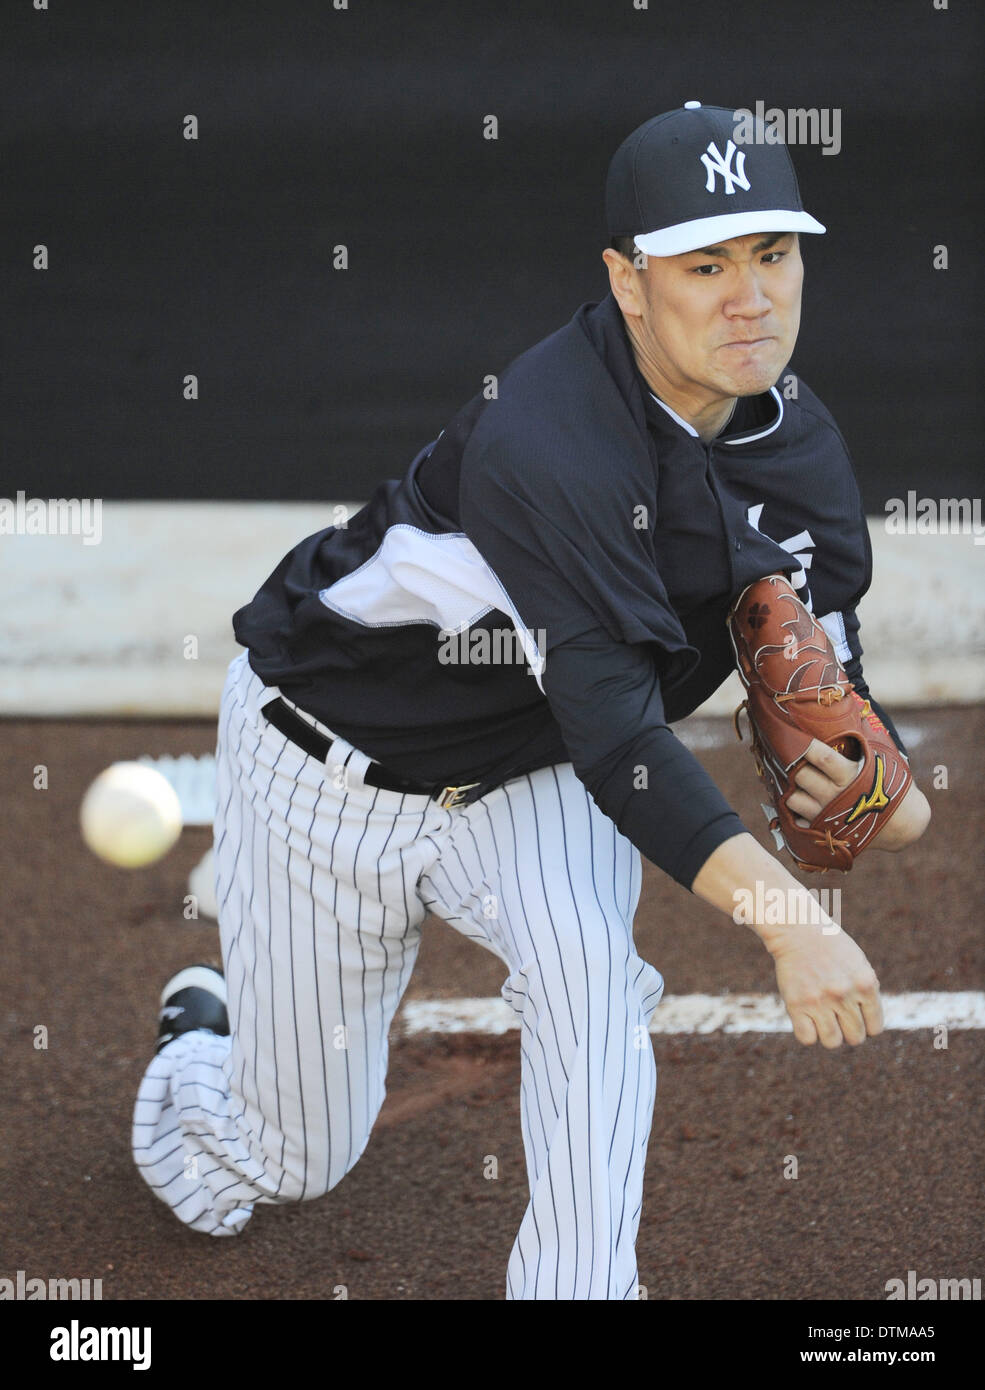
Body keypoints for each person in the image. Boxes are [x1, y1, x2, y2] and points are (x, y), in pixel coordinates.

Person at [132, 102, 930, 1300]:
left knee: (593, 982)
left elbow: (831, 680)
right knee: (279, 1161)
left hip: (528, 769)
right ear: (626, 279)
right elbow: (622, 740)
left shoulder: (799, 451)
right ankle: (203, 1039)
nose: (748, 296)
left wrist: (878, 792)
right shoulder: (548, 439)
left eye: (772, 253)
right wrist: (788, 917)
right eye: (703, 264)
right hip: (330, 765)